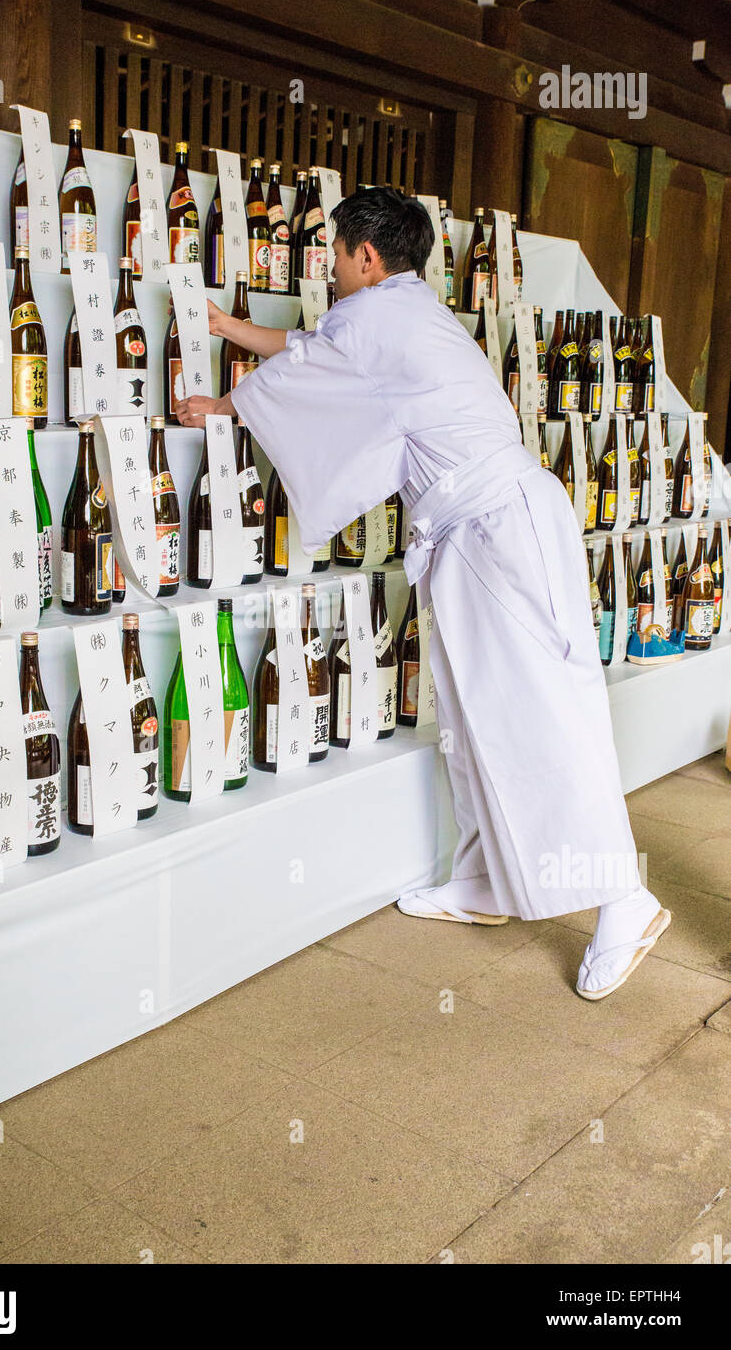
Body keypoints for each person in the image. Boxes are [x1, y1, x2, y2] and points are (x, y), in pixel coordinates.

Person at [175, 186, 670, 1001]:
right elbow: (314, 352)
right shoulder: (399, 315)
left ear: (366, 257)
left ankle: (623, 897)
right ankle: (484, 881)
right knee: (477, 711)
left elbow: (308, 366)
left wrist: (223, 403)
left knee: (544, 711)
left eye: (334, 253)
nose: (328, 268)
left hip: (500, 532)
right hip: (482, 532)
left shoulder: (377, 319)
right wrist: (233, 332)